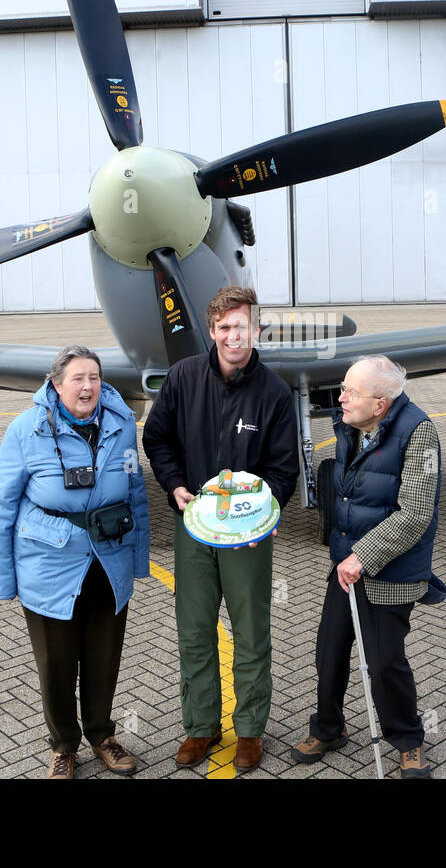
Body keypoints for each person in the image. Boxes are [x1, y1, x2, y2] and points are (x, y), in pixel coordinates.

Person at [142, 285, 298, 773]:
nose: (235, 336)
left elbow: (283, 468)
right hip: (193, 528)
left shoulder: (273, 391)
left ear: (256, 329)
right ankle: (201, 726)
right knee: (194, 632)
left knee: (251, 633)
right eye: (225, 327)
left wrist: (267, 512)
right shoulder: (183, 378)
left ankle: (250, 730)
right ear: (212, 331)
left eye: (243, 326)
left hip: (246, 536)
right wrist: (173, 485)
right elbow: (157, 438)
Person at [0, 345, 150, 779]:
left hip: (108, 561)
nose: (88, 386)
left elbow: (135, 494)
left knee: (103, 658)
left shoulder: (121, 426)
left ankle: (102, 735)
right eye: (77, 378)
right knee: (56, 665)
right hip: (48, 563)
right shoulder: (26, 429)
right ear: (56, 384)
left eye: (94, 377)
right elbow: (1, 505)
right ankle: (62, 745)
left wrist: (138, 559)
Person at [291, 354, 443, 779]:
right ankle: (329, 728)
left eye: (349, 392)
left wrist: (365, 555)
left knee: (384, 662)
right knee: (330, 651)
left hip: (389, 573)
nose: (339, 398)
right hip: (346, 566)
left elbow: (414, 513)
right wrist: (344, 552)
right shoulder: (351, 427)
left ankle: (408, 741)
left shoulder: (419, 433)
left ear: (380, 403)